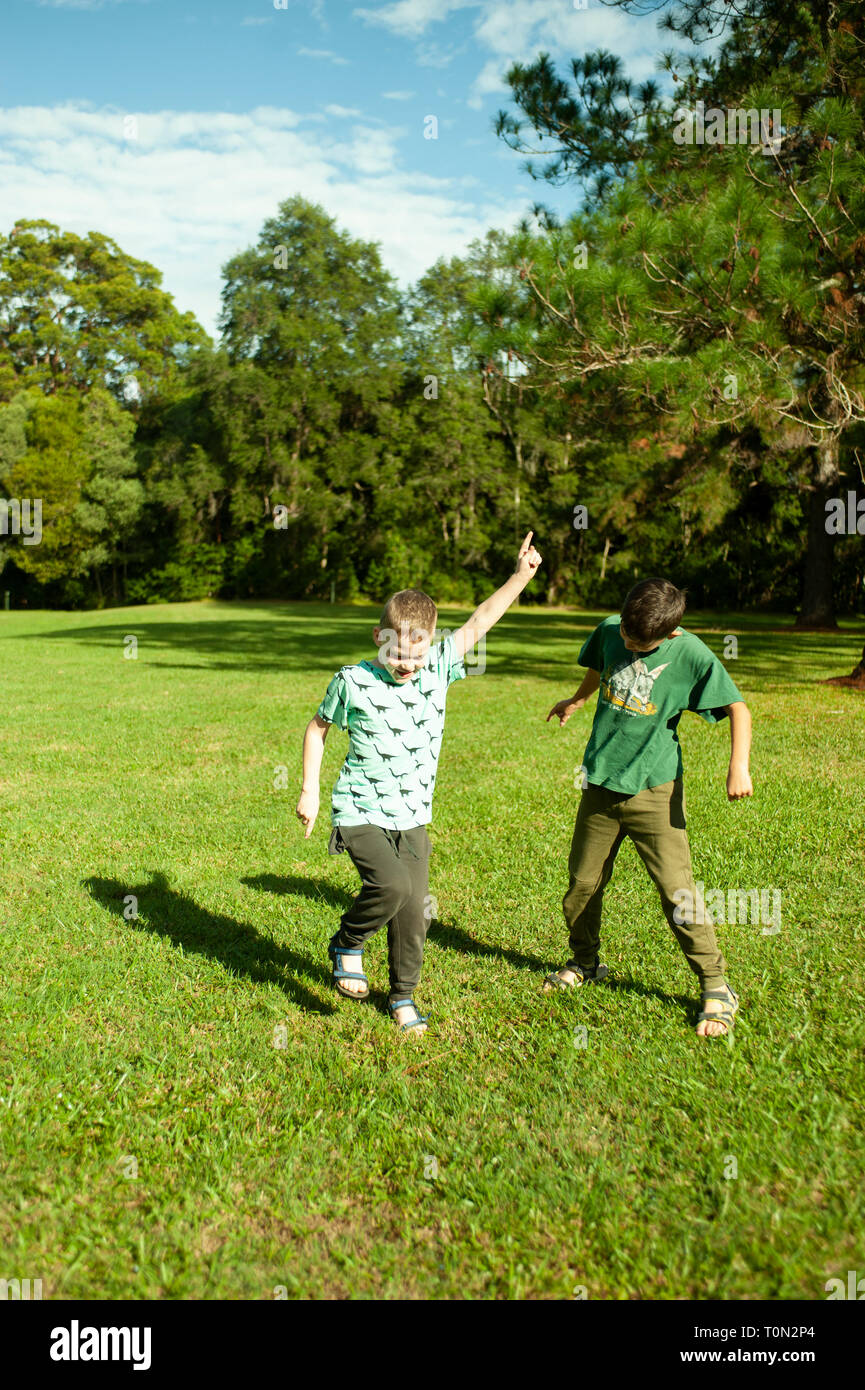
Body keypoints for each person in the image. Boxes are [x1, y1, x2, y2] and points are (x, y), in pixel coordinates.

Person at [297, 533, 543, 1035]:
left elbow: (480, 620)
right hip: (360, 807)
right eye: (397, 653)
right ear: (378, 637)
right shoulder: (352, 680)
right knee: (389, 885)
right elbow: (318, 728)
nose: (407, 664)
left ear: (431, 642)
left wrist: (520, 576)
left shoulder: (440, 666)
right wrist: (309, 790)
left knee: (415, 911)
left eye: (417, 653)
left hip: (413, 813)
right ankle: (348, 942)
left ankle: (402, 995)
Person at [545, 577, 752, 1039]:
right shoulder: (610, 630)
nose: (629, 645)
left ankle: (716, 986)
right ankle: (585, 962)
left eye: (641, 644)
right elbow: (600, 666)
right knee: (581, 884)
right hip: (599, 784)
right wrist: (577, 700)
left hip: (655, 790)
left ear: (670, 634)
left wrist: (738, 767)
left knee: (677, 893)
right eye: (626, 637)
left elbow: (738, 707)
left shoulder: (691, 653)